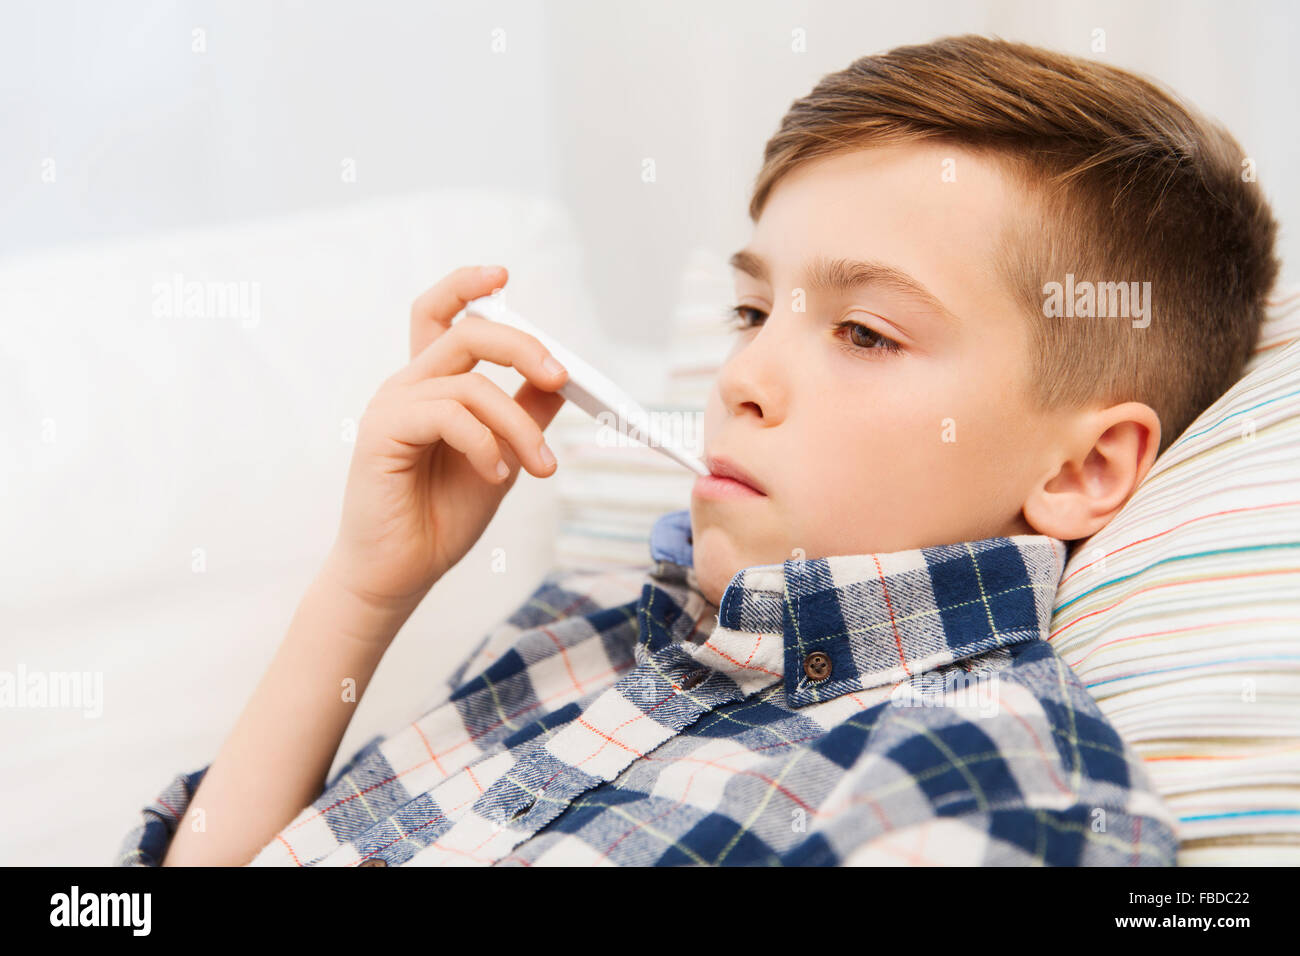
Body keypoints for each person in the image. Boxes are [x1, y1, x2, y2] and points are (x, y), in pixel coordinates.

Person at [117, 34, 1277, 866]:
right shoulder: (575, 632)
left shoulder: (980, 787)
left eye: (864, 331)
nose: (742, 377)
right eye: (750, 312)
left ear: (1082, 470)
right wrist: (365, 590)